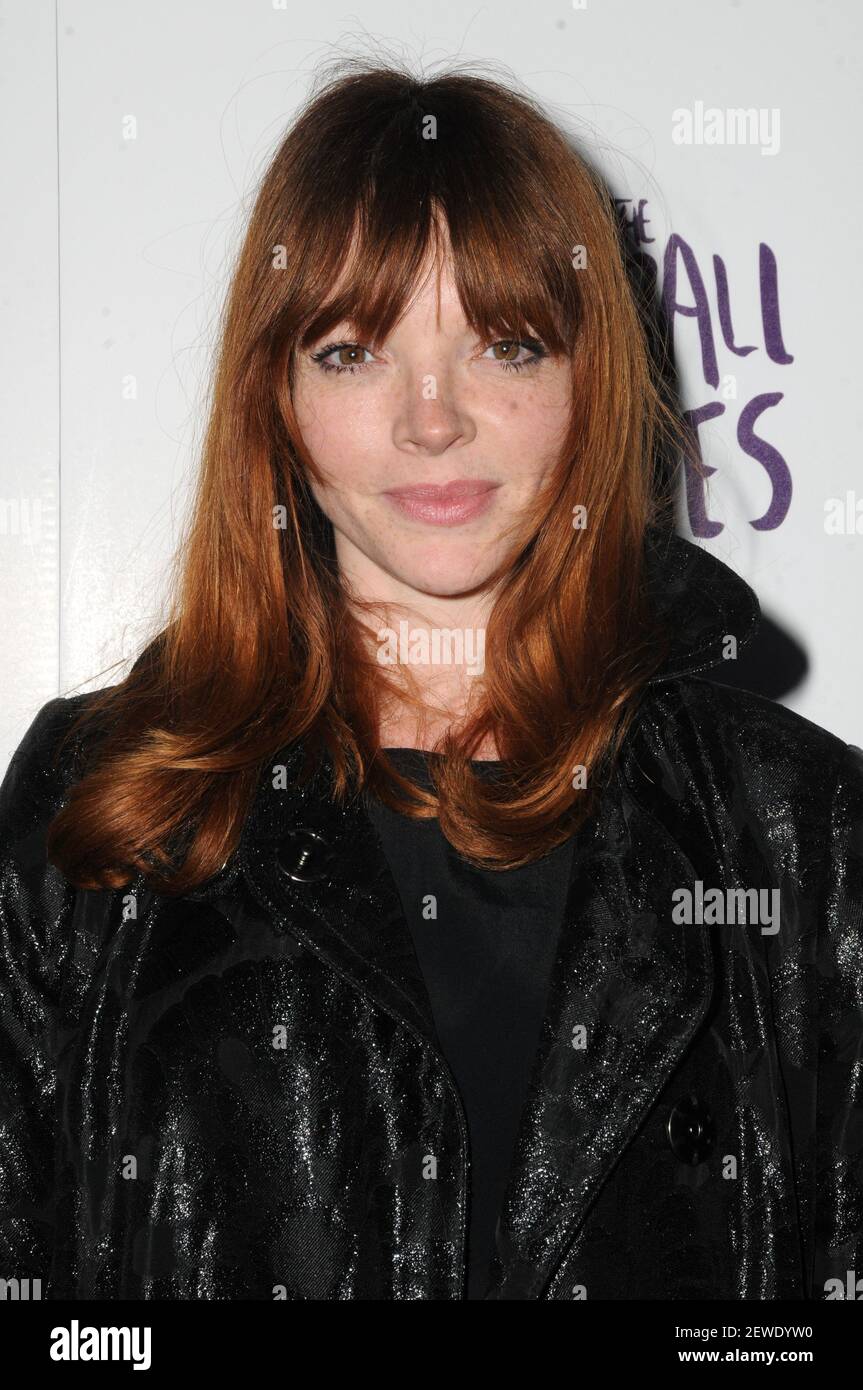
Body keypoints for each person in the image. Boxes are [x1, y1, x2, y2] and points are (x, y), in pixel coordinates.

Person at [1, 61, 861, 1302]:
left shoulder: (796, 834)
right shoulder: (99, 807)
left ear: (587, 380)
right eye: (353, 352)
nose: (432, 419)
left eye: (504, 345)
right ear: (276, 399)